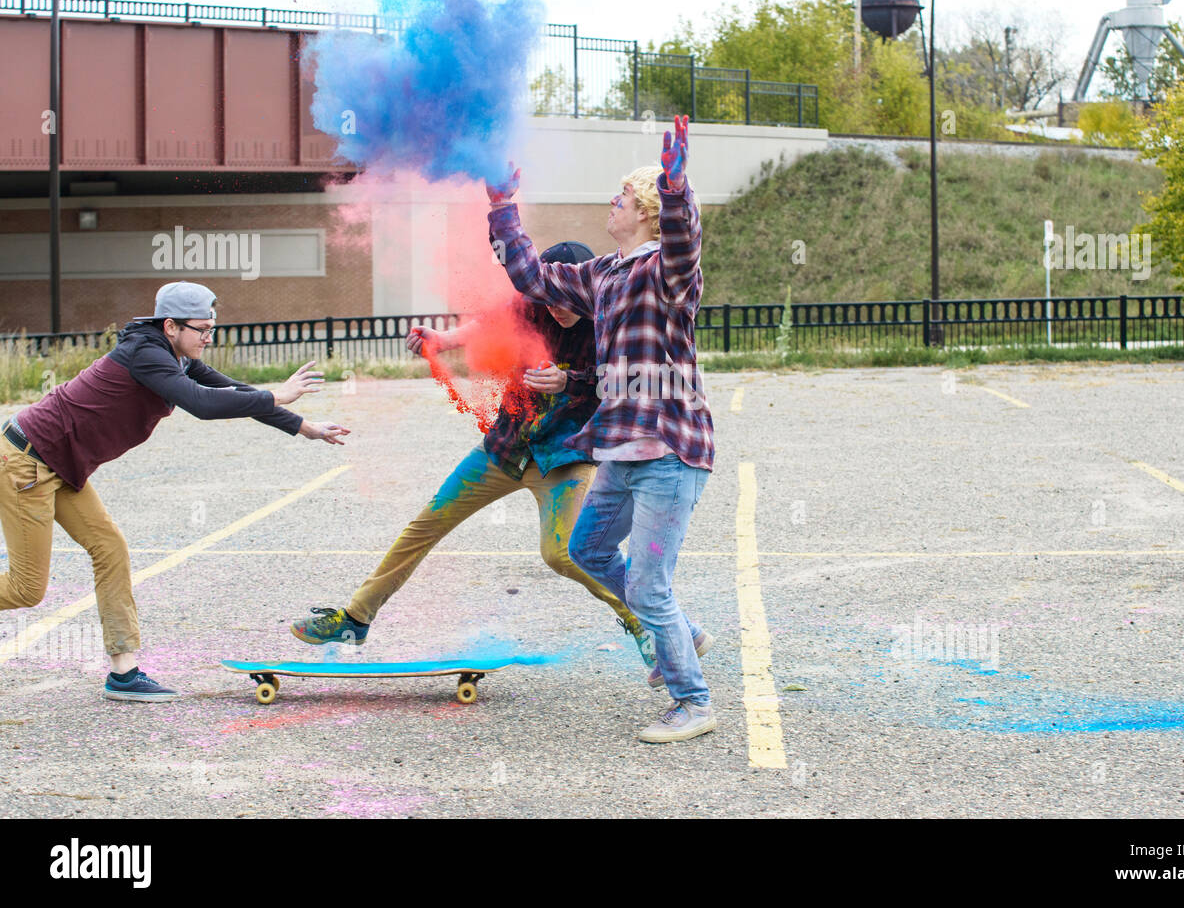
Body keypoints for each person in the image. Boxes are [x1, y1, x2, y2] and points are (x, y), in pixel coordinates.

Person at [289, 242, 657, 669]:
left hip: (565, 458)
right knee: (426, 524)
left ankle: (645, 621)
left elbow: (623, 380)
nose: (555, 307)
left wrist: (569, 381)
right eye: (548, 296)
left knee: (565, 553)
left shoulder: (610, 320)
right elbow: (490, 324)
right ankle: (355, 619)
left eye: (565, 299)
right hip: (505, 448)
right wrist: (444, 340)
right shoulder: (532, 304)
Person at [0, 282, 348, 702]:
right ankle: (124, 673)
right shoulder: (146, 355)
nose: (208, 338)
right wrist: (276, 393)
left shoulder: (176, 357)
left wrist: (302, 426)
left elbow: (232, 393)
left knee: (109, 549)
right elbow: (202, 405)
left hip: (61, 464)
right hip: (27, 462)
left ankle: (124, 674)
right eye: (201, 329)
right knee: (26, 589)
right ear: (170, 325)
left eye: (211, 329)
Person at [485, 115, 718, 743]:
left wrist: (675, 188)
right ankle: (686, 635)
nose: (608, 207)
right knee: (585, 551)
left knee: (646, 584)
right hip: (619, 450)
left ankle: (693, 701)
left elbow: (684, 244)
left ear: (642, 211)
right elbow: (531, 276)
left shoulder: (667, 273)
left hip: (669, 449)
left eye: (618, 199)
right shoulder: (604, 274)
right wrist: (502, 204)